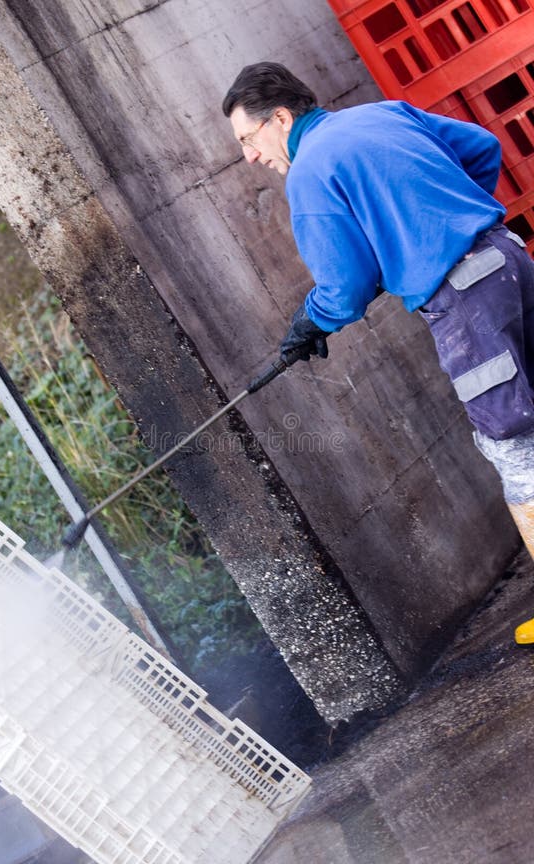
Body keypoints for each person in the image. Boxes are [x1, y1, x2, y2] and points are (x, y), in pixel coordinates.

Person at [222, 61, 534, 642]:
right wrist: (446, 217)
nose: (250, 156)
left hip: (466, 304)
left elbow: (344, 284)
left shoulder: (310, 171)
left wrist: (309, 322)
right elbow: (484, 147)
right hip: (511, 261)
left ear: (281, 119)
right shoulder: (383, 115)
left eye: (249, 138)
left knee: (512, 442)